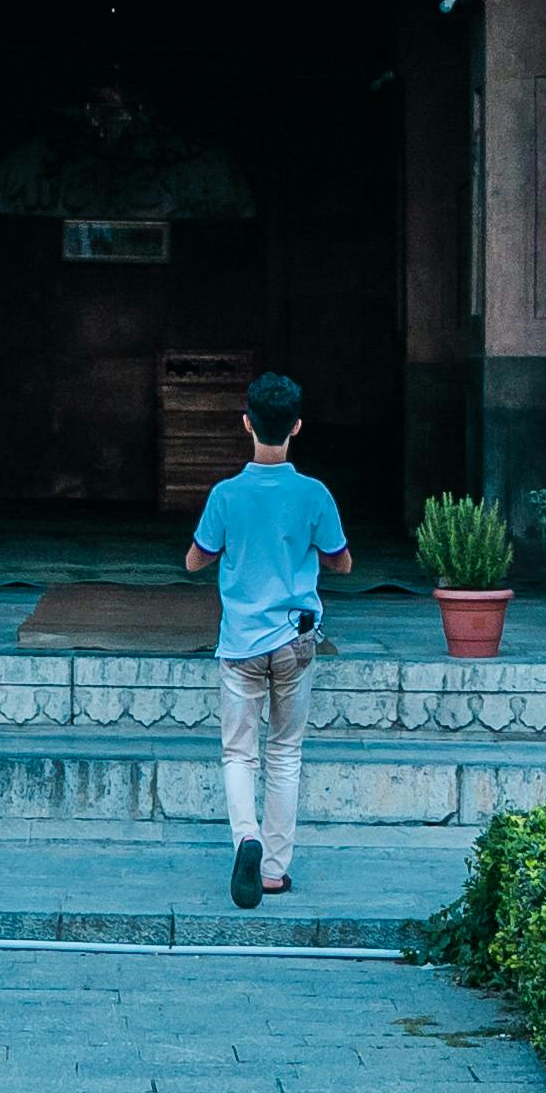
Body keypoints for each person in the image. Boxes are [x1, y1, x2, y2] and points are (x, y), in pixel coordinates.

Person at [184, 367, 352, 908]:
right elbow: (341, 561)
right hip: (296, 641)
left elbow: (195, 559)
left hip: (240, 645)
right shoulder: (315, 494)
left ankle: (246, 839)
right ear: (296, 426)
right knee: (285, 752)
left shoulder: (226, 495)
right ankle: (276, 870)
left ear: (246, 424)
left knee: (239, 753)